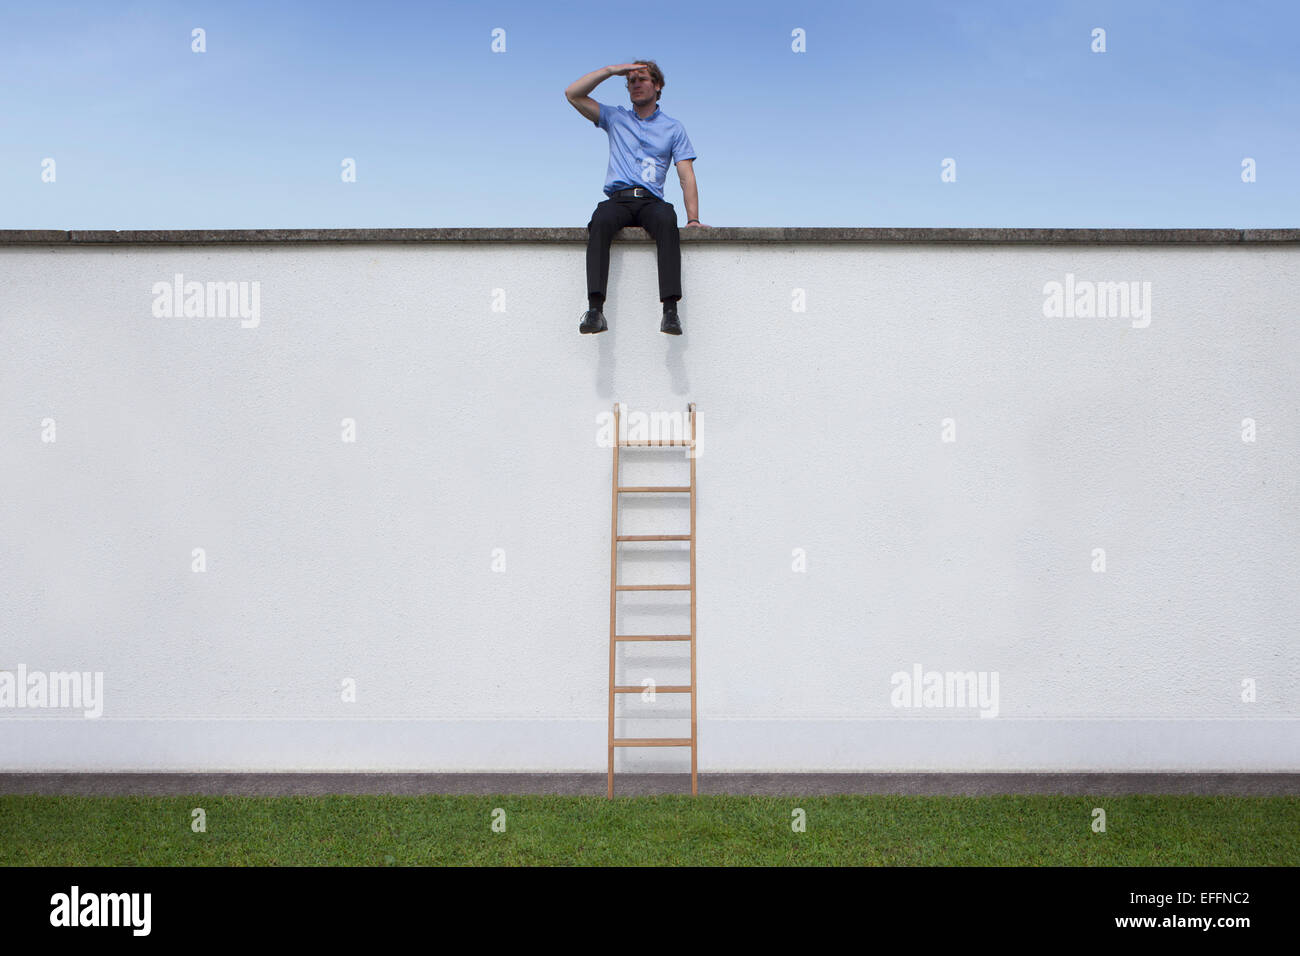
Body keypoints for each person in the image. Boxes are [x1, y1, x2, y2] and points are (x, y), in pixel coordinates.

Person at [565, 60, 708, 336]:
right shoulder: (615, 118)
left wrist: (693, 219)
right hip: (618, 200)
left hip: (651, 202)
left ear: (657, 85)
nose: (636, 84)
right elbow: (573, 94)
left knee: (667, 218)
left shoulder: (673, 128)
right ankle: (595, 310)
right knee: (600, 218)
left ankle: (670, 312)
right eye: (630, 81)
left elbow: (686, 175)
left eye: (642, 79)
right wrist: (611, 71)